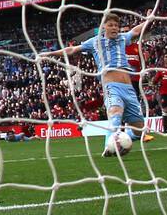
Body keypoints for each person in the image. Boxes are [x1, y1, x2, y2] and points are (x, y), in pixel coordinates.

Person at [43, 10, 154, 158]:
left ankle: (123, 137)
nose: (114, 28)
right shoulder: (95, 42)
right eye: (111, 25)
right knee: (115, 113)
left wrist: (149, 19)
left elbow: (136, 31)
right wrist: (50, 54)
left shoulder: (122, 38)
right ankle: (109, 146)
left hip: (129, 88)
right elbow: (72, 49)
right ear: (104, 27)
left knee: (138, 130)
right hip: (111, 86)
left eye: (116, 25)